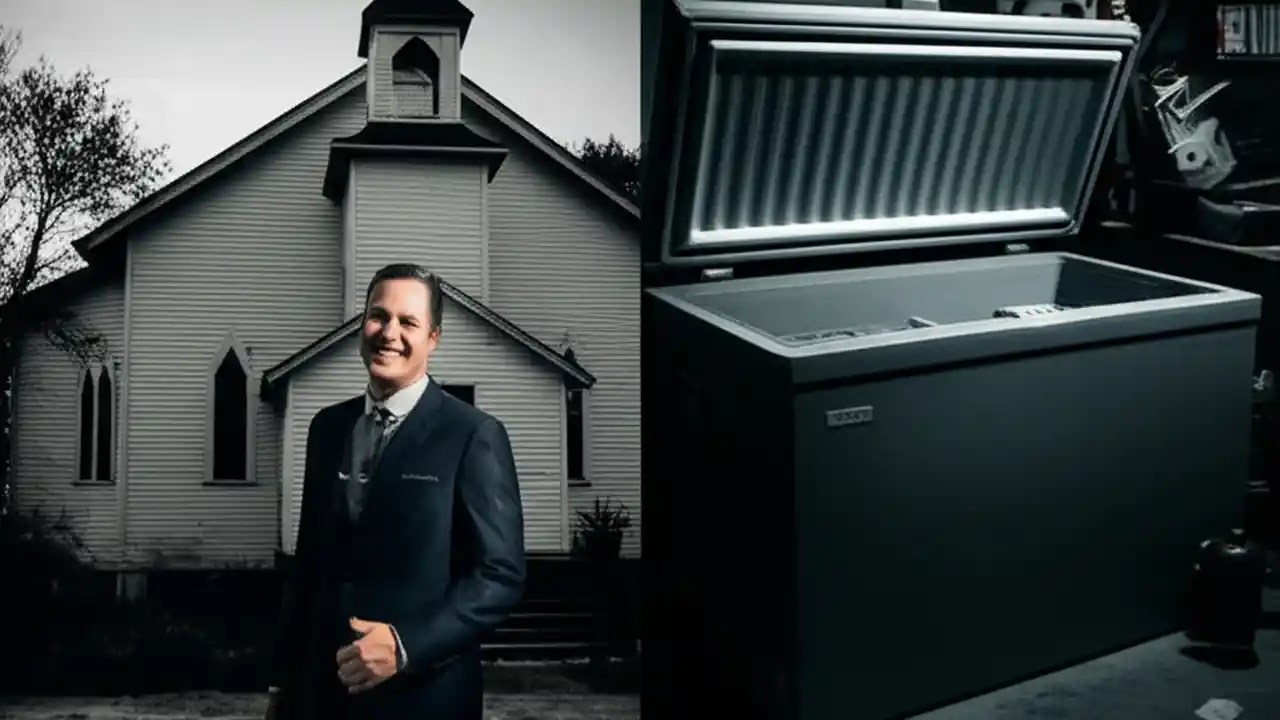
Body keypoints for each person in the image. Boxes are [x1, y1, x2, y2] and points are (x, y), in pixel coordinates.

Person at [265, 263, 526, 720]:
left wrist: (406, 647)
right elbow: (308, 566)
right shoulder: (327, 428)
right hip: (321, 696)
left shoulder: (471, 434)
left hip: (424, 697)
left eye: (408, 322)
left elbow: (499, 576)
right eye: (378, 316)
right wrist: (283, 684)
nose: (389, 332)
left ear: (433, 339)